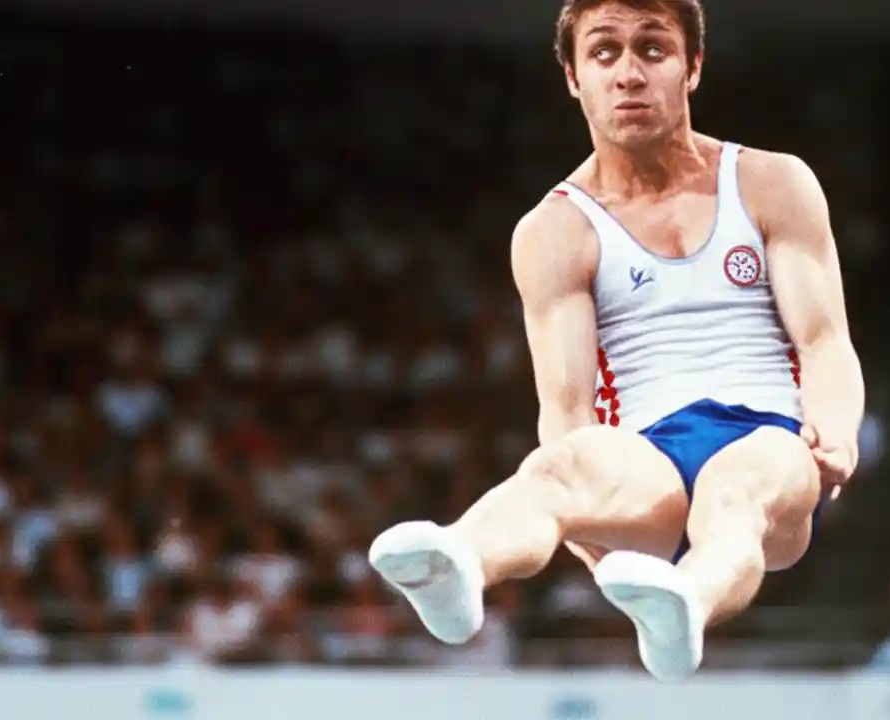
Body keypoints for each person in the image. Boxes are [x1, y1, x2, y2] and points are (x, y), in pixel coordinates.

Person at [368, 0, 864, 682]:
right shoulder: (554, 231)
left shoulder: (772, 184)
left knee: (734, 492)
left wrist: (836, 431)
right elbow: (567, 412)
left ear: (692, 66)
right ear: (574, 77)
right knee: (558, 471)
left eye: (652, 50)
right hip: (648, 459)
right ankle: (460, 564)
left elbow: (824, 338)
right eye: (604, 54)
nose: (628, 73)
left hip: (769, 438)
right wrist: (590, 533)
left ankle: (689, 601)